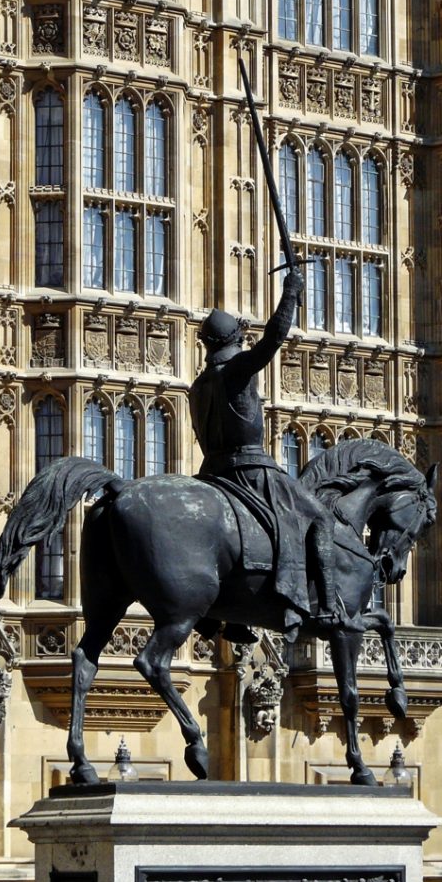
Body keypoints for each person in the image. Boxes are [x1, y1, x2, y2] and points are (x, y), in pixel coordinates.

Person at [189, 270, 345, 639]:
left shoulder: (199, 384)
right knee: (319, 517)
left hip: (212, 472)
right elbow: (273, 338)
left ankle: (232, 614)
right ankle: (324, 608)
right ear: (236, 341)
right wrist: (290, 293)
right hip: (250, 468)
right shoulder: (237, 370)